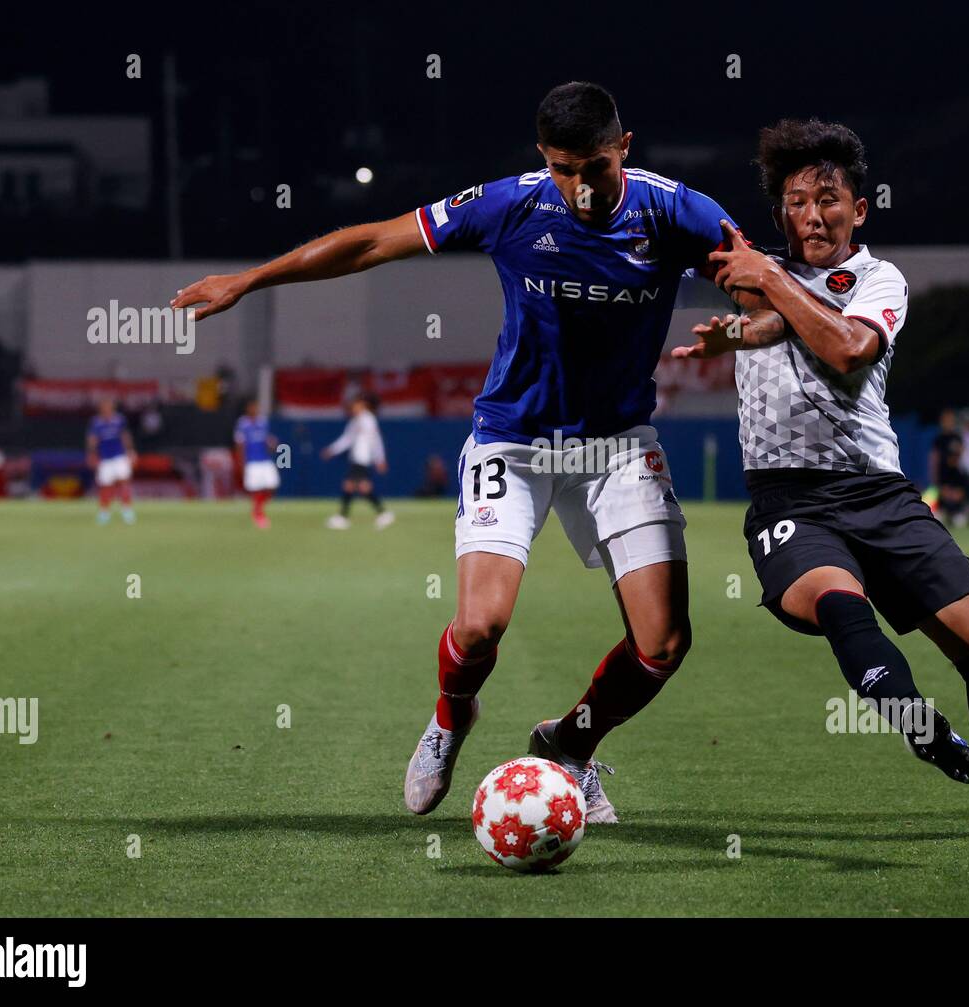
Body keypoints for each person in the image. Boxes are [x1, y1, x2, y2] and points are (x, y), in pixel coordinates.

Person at [171, 82, 752, 823]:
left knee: (664, 643)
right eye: (563, 168)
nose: (578, 187)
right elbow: (374, 241)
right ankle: (451, 717)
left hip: (617, 448)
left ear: (624, 149)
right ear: (544, 158)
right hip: (513, 437)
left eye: (595, 168)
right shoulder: (510, 204)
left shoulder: (677, 213)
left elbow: (759, 281)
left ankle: (569, 745)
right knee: (479, 625)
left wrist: (754, 323)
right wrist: (250, 280)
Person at [674, 118, 969, 842]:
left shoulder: (881, 281)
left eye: (829, 199)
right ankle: (916, 722)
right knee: (837, 601)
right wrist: (743, 316)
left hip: (878, 491)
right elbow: (762, 320)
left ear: (859, 208)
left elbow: (850, 347)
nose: (812, 214)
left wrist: (767, 283)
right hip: (788, 498)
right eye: (796, 201)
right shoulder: (758, 277)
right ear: (780, 212)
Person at [320, 394, 394, 530]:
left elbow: (375, 440)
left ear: (362, 405)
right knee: (363, 488)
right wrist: (332, 450)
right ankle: (383, 513)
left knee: (350, 485)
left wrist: (380, 459)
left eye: (355, 404)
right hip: (357, 459)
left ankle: (343, 517)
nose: (353, 407)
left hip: (363, 458)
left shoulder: (368, 420)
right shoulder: (355, 421)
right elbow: (347, 439)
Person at [86, 398, 136, 525]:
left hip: (119, 457)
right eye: (105, 406)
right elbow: (93, 439)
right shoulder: (96, 422)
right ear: (101, 408)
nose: (107, 409)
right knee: (105, 487)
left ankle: (127, 511)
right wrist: (91, 454)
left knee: (124, 483)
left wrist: (130, 451)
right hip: (105, 459)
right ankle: (104, 513)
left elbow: (125, 436)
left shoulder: (119, 420)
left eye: (109, 406)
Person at [234, 399, 280, 528]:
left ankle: (258, 508)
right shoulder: (243, 424)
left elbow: (266, 439)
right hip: (252, 461)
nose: (255, 409)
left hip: (265, 459)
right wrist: (241, 463)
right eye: (253, 407)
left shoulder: (263, 421)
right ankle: (258, 513)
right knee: (256, 488)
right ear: (248, 409)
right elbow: (240, 445)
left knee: (272, 485)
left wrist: (272, 444)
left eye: (257, 407)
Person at [929, 408, 969, 527]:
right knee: (944, 493)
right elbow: (934, 457)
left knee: (957, 494)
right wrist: (934, 473)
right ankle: (942, 513)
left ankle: (957, 514)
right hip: (943, 471)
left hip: (955, 471)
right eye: (946, 420)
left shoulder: (957, 437)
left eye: (950, 420)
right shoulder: (939, 439)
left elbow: (962, 451)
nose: (948, 422)